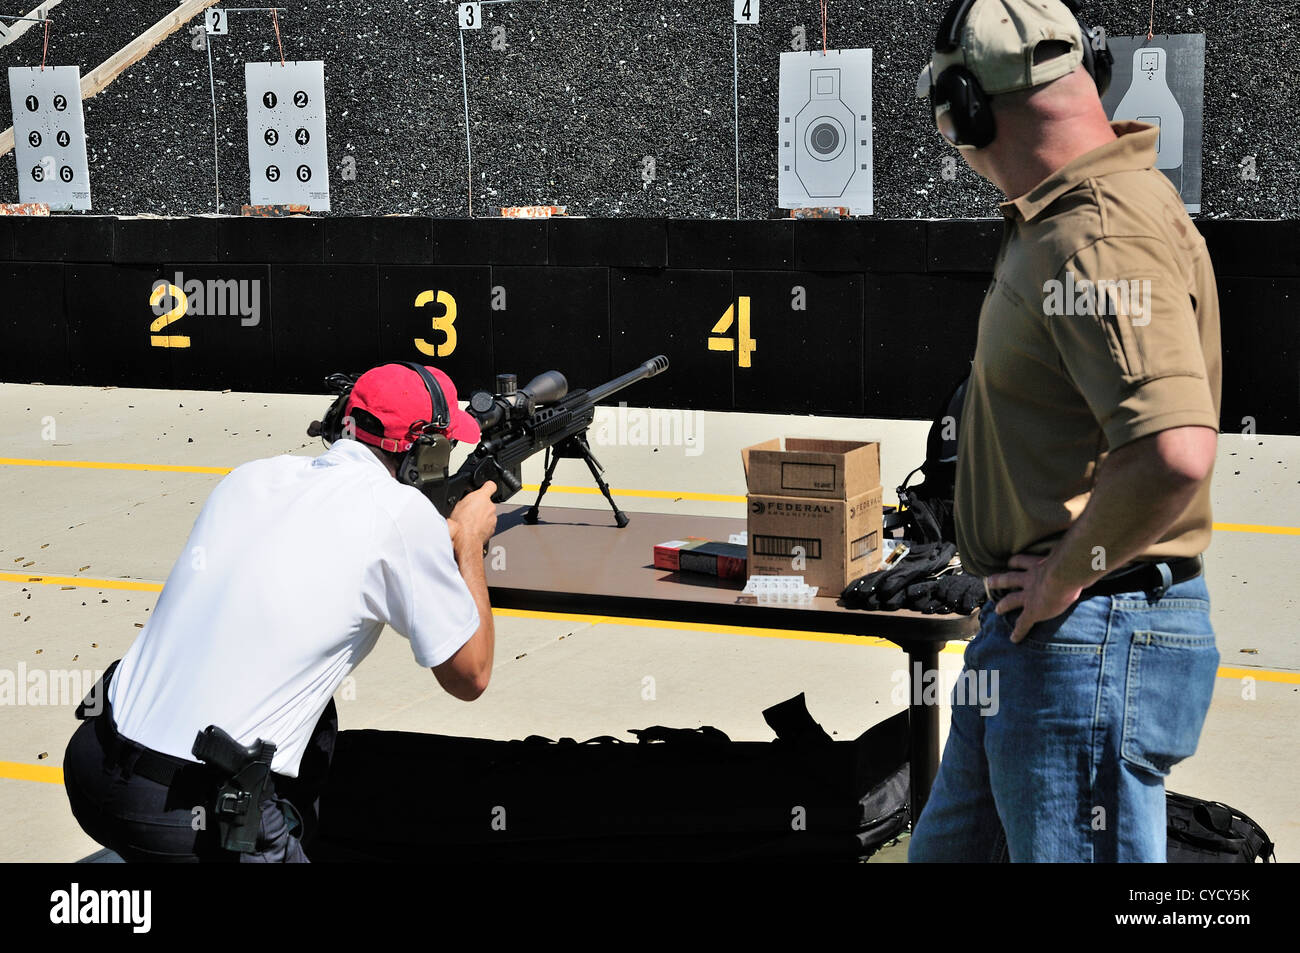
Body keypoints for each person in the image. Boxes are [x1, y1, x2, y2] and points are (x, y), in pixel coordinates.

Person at [909, 0, 1222, 862]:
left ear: (968, 113)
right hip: (1040, 639)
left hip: (1083, 640)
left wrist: (1064, 575)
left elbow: (1175, 450)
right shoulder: (1063, 219)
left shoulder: (1096, 233)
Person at [63, 362, 499, 862]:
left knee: (319, 723)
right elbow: (471, 675)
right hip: (187, 810)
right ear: (424, 450)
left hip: (92, 759)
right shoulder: (402, 513)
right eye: (446, 447)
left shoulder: (252, 476)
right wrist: (467, 542)